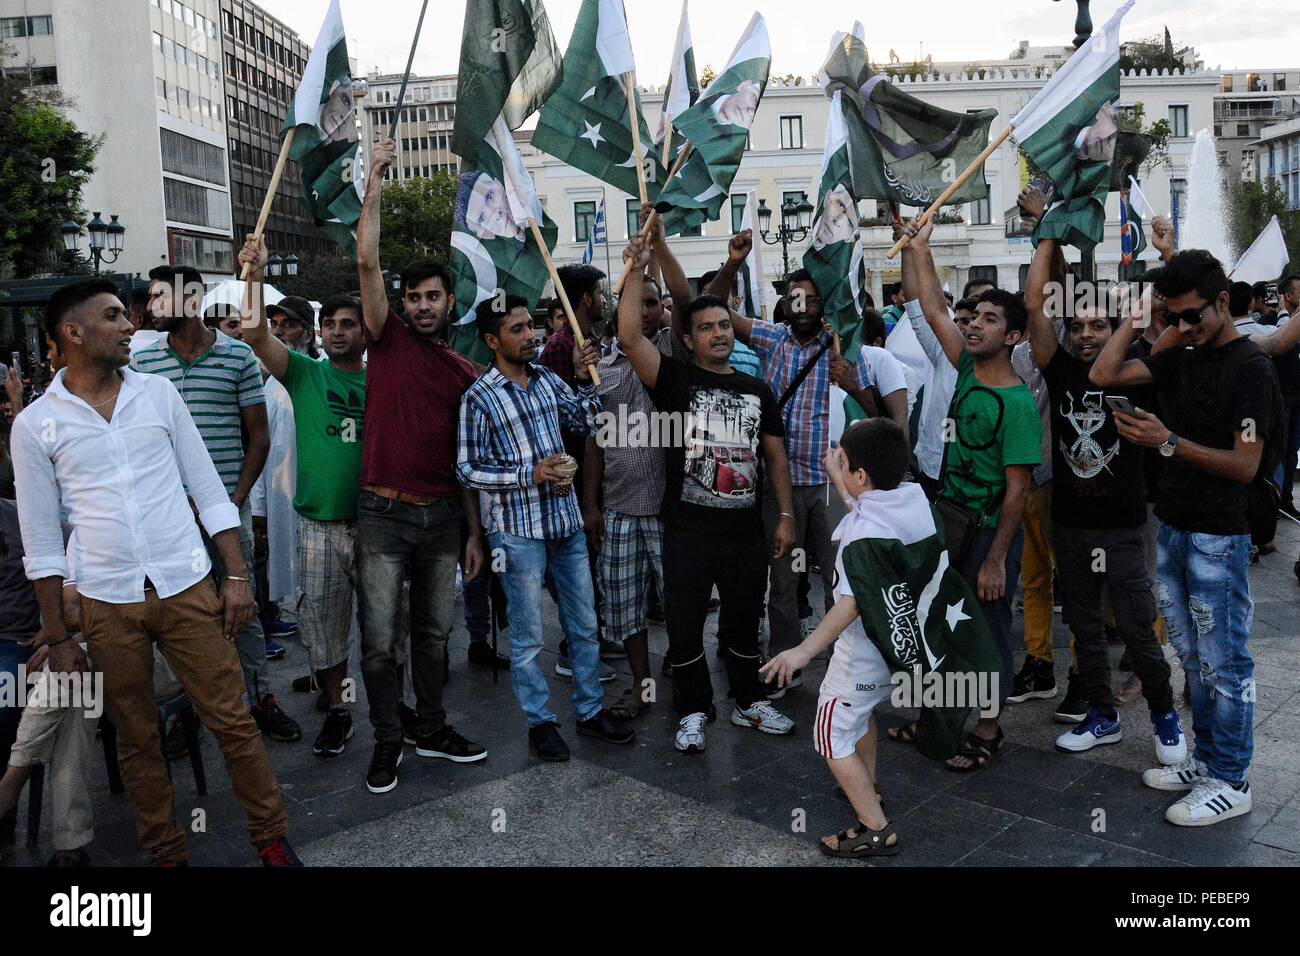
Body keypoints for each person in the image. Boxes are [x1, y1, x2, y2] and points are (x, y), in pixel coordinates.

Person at [10, 279, 298, 866]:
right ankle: (166, 855)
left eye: (126, 315)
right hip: (106, 603)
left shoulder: (159, 395)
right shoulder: (35, 425)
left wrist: (237, 576)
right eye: (114, 317)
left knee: (233, 722)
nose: (128, 326)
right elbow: (40, 543)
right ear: (73, 333)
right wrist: (60, 636)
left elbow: (207, 489)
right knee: (137, 741)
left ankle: (270, 840)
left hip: (187, 586)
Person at [1090, 249, 1278, 826]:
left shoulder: (1251, 369)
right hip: (1172, 524)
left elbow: (1246, 466)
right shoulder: (1182, 351)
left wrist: (1166, 441)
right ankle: (1207, 762)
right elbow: (1104, 375)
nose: (1186, 327)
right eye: (1175, 317)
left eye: (1194, 315)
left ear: (1224, 301)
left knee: (1225, 661)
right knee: (1193, 658)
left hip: (1219, 533)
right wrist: (1140, 312)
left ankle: (1232, 778)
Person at [619, 236, 797, 753]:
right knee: (684, 625)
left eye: (723, 325)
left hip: (744, 532)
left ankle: (748, 701)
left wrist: (784, 515)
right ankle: (694, 710)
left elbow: (776, 458)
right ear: (690, 338)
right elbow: (630, 337)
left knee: (745, 621)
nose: (717, 334)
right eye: (705, 328)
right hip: (688, 531)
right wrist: (636, 269)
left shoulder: (756, 389)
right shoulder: (673, 379)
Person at [706, 234, 909, 670]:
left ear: (824, 305)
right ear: (785, 304)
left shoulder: (845, 349)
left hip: (835, 485)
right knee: (784, 580)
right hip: (781, 486)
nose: (803, 307)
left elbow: (884, 425)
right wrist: (732, 263)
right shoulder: (770, 338)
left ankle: (849, 661)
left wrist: (852, 382)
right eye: (795, 299)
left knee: (845, 577)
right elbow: (713, 308)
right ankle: (787, 660)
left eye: (812, 300)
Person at [355, 137, 488, 794]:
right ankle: (387, 739)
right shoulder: (386, 338)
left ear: (449, 300)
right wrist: (375, 180)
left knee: (434, 637)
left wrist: (473, 534)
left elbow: (469, 464)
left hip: (442, 519)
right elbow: (366, 258)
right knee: (380, 642)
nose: (423, 305)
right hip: (381, 512)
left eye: (433, 296)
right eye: (414, 297)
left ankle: (431, 727)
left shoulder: (467, 375)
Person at [1023, 238, 1185, 761]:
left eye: (1099, 325)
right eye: (1078, 326)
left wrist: (1166, 255)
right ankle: (1102, 715)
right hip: (1071, 525)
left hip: (1123, 525)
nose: (1086, 334)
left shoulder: (1138, 370)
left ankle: (1164, 718)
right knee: (1085, 630)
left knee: (1138, 628)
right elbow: (1033, 306)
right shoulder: (1059, 369)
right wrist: (1047, 232)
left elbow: (1178, 320)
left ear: (1116, 329)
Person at [888, 217, 1041, 772]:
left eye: (990, 319)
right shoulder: (967, 370)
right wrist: (921, 247)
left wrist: (997, 559)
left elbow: (1019, 492)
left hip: (986, 534)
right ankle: (938, 716)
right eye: (973, 316)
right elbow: (931, 308)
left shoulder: (1018, 405)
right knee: (938, 619)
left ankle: (989, 729)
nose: (973, 325)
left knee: (989, 628)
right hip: (946, 521)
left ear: (1015, 336)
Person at [458, 296, 634, 761]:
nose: (530, 335)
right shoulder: (479, 397)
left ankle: (590, 709)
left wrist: (583, 378)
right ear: (493, 341)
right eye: (517, 329)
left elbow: (584, 418)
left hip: (565, 523)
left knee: (583, 624)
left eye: (530, 327)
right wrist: (528, 474)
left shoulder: (545, 380)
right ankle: (540, 721)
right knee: (528, 633)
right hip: (517, 532)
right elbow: (467, 470)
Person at [133, 265, 301, 744]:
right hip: (169, 520)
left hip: (230, 508)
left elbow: (259, 438)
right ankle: (190, 711)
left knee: (239, 606)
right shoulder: (145, 365)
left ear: (191, 300)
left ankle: (258, 698)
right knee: (181, 615)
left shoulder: (237, 357)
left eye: (159, 298)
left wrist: (234, 500)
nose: (150, 309)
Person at [238, 237, 367, 758]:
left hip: (377, 524)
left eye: (347, 324)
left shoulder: (384, 380)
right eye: (329, 325)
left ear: (365, 331)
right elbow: (252, 332)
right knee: (322, 630)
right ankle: (337, 711)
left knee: (385, 631)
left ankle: (390, 712)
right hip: (317, 527)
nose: (336, 332)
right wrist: (254, 273)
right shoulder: (303, 373)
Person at [760, 422, 908, 858]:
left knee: (831, 735)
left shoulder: (860, 539)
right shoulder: (909, 503)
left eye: (842, 460)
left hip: (859, 656)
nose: (836, 463)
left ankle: (876, 828)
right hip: (891, 649)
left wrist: (801, 652)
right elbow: (867, 510)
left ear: (860, 475)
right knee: (861, 716)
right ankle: (869, 787)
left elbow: (849, 605)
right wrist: (838, 474)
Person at [584, 271, 669, 721]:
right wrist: (591, 505)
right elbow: (596, 438)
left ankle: (687, 673)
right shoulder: (602, 364)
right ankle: (641, 685)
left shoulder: (674, 348)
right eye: (637, 304)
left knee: (680, 602)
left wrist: (647, 255)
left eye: (653, 302)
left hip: (668, 511)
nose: (645, 310)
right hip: (618, 509)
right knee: (625, 605)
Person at [0, 495, 95, 866]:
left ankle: (10, 783)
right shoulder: (82, 534)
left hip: (147, 650)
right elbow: (72, 602)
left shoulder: (33, 522)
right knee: (79, 685)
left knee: (76, 676)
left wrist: (57, 635)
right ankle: (70, 843)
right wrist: (61, 635)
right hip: (92, 654)